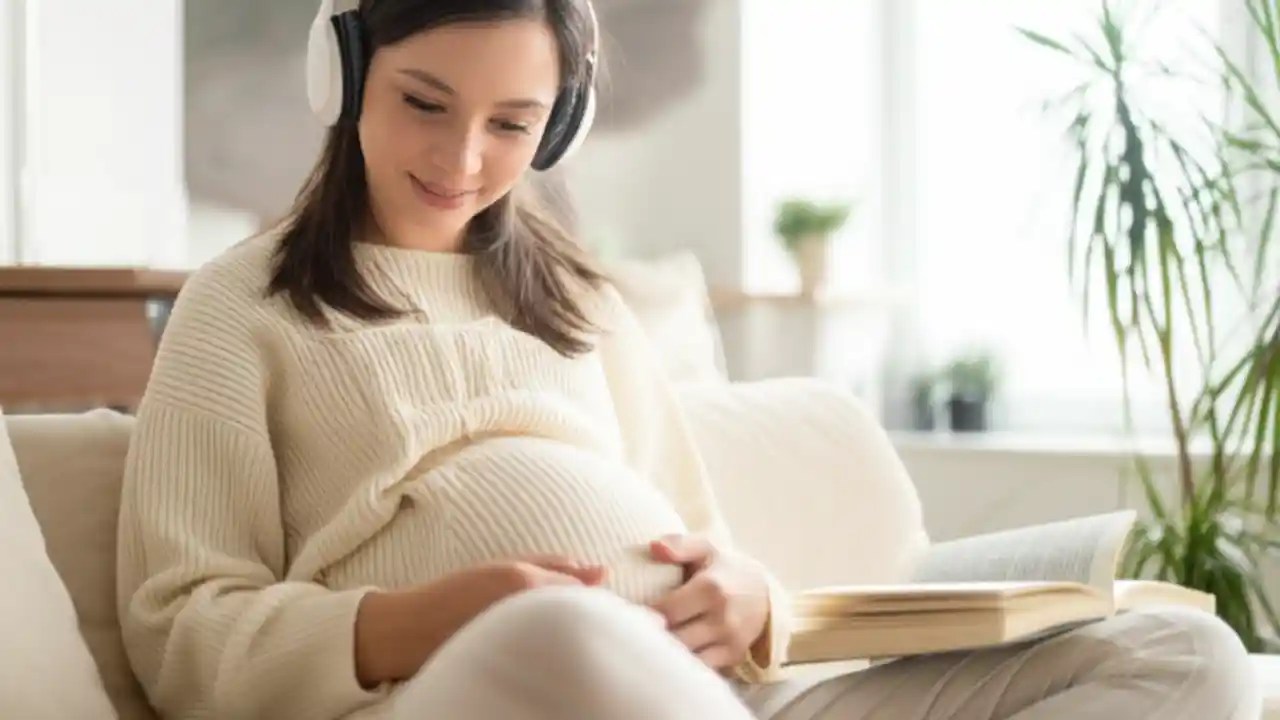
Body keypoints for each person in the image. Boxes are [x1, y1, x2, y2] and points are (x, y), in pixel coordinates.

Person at [115, 0, 1260, 718]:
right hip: (468, 691)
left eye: (512, 122)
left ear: (556, 127)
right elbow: (179, 631)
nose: (462, 156)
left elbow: (704, 544)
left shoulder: (577, 303)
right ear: (345, 70)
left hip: (716, 696)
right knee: (561, 632)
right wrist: (417, 619)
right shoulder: (238, 312)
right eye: (424, 101)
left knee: (1182, 652)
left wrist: (747, 595)